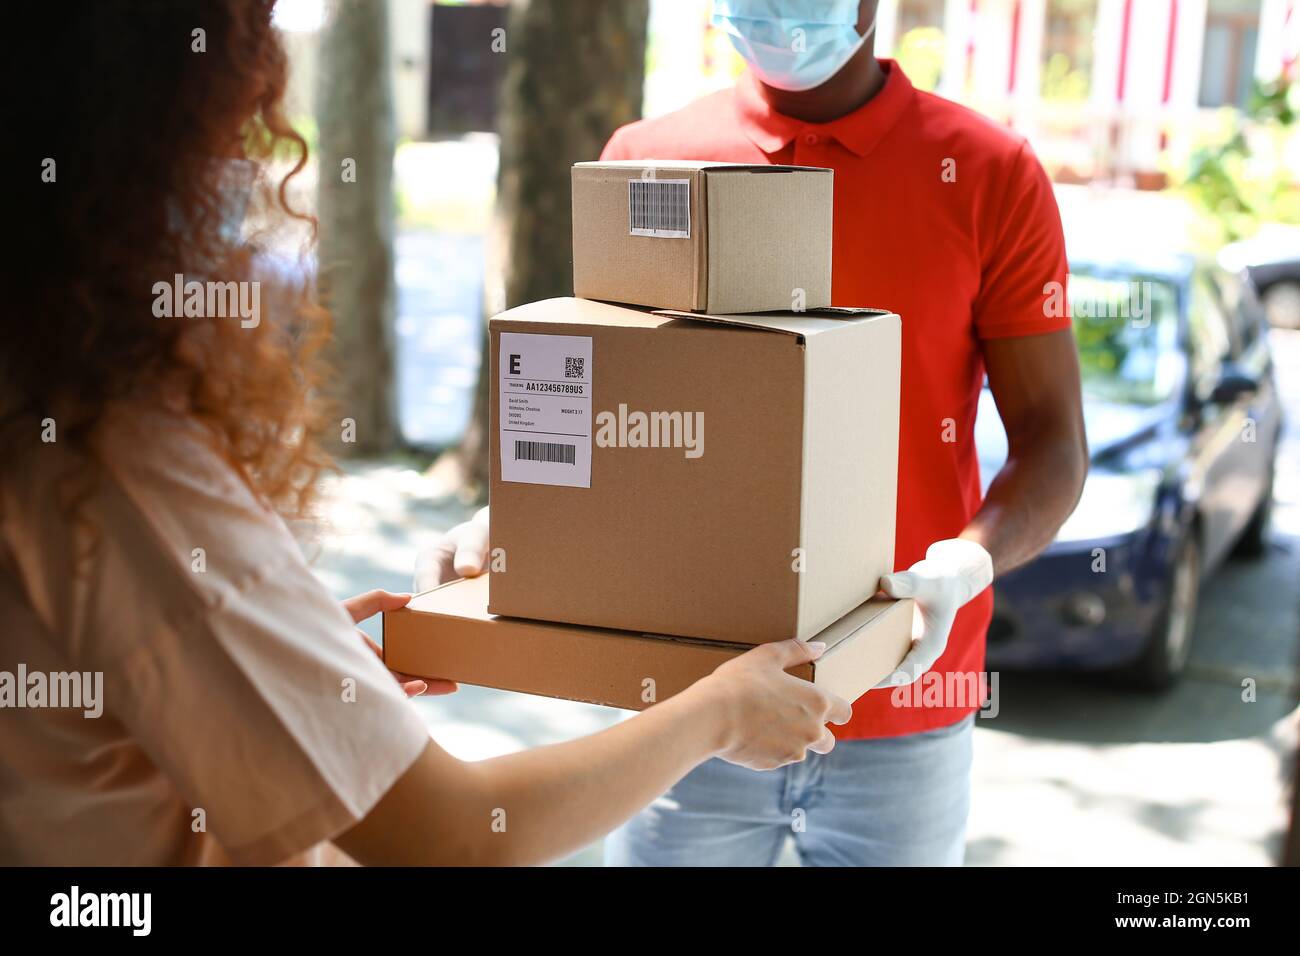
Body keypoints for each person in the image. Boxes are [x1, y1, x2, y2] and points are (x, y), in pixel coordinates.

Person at [0, 0, 849, 867]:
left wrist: (273, 658)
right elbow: (450, 834)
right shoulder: (116, 458)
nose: (255, 143)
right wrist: (718, 711)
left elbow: (96, 687)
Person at [423, 0, 1089, 866]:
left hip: (901, 709)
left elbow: (1053, 443)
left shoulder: (988, 171)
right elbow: (596, 406)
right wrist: (514, 526)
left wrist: (970, 560)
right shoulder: (648, 160)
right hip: (684, 708)